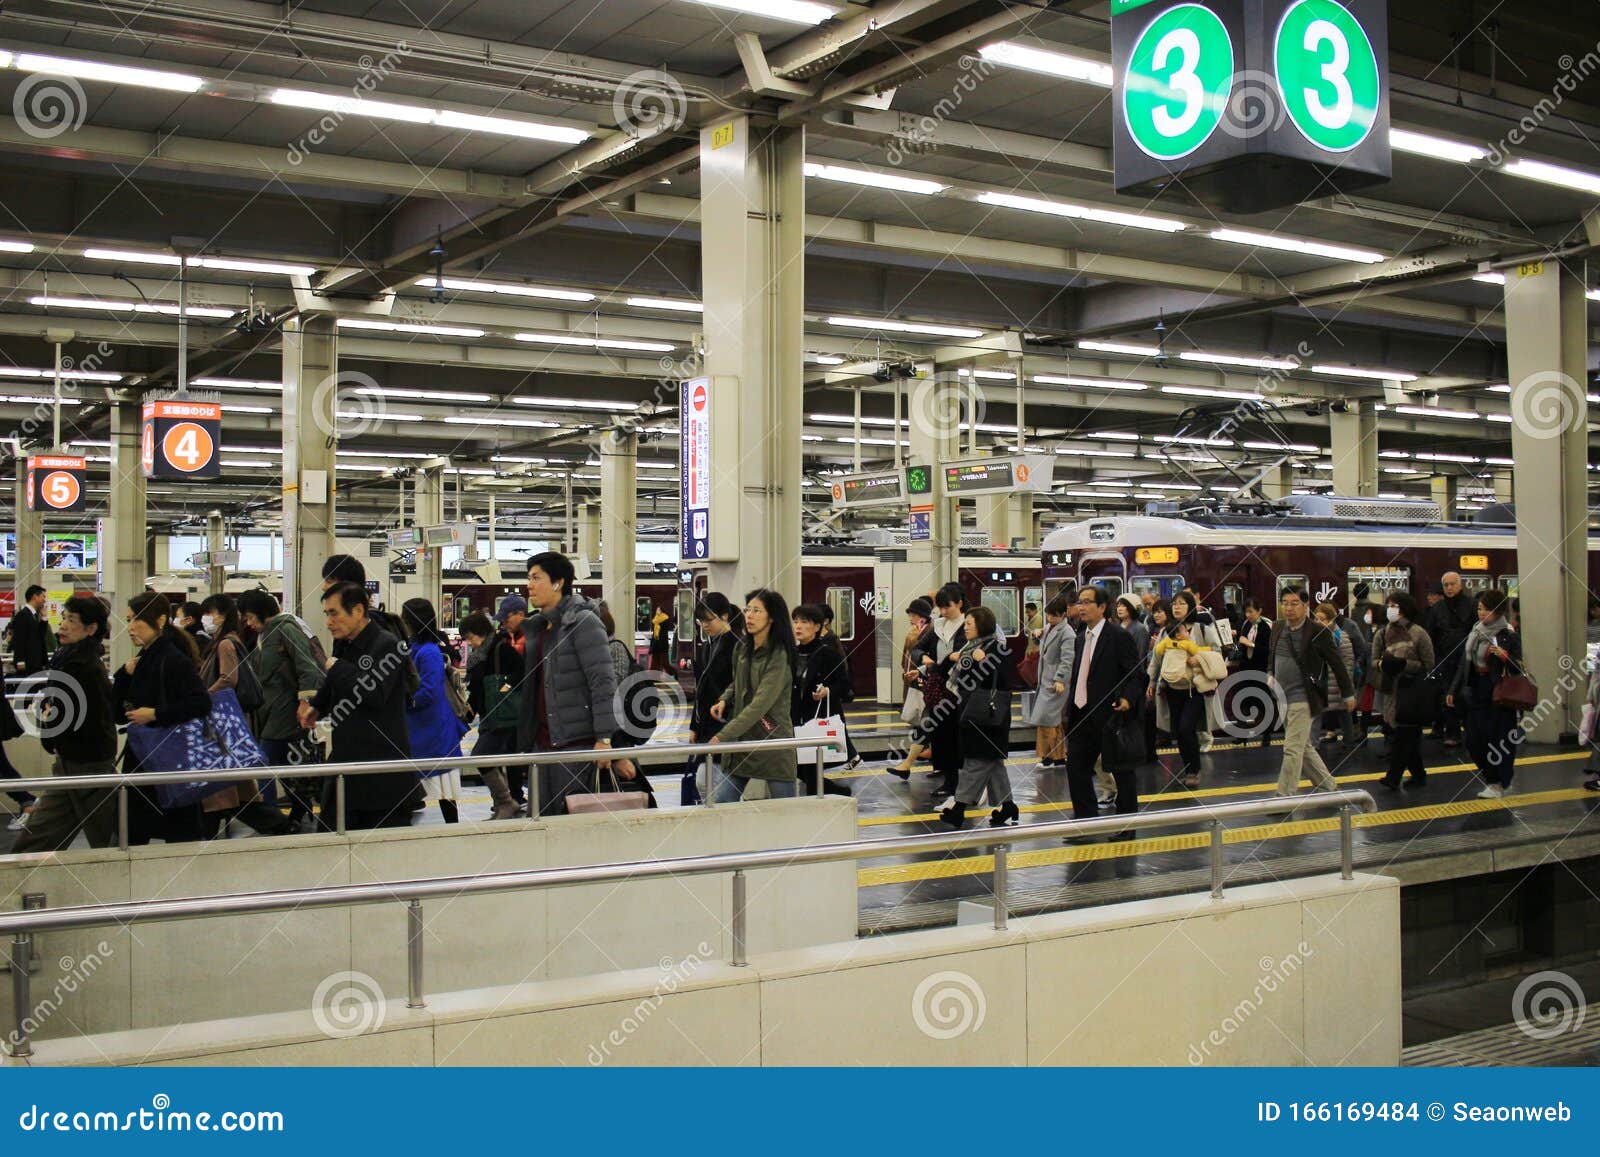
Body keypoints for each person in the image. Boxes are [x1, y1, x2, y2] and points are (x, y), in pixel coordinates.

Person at [298, 583, 423, 830]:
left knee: (380, 856)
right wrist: (317, 706)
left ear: (357, 610)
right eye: (327, 614)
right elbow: (338, 683)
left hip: (382, 777)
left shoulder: (387, 645)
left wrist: (337, 667)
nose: (329, 622)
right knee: (332, 844)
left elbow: (374, 694)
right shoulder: (345, 643)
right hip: (349, 766)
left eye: (334, 613)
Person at [516, 551, 632, 816]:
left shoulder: (583, 623)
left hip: (574, 745)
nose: (529, 585)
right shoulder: (540, 627)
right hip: (543, 745)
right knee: (542, 822)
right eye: (528, 578)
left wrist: (604, 739)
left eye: (536, 578)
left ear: (558, 583)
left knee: (569, 821)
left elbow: (603, 683)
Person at [11, 596, 119, 852]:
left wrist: (51, 722)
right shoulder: (69, 659)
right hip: (75, 761)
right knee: (107, 839)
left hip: (87, 765)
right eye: (65, 617)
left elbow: (85, 717)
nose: (64, 624)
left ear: (91, 629)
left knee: (112, 840)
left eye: (72, 620)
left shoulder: (84, 666)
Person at [114, 592, 212, 844]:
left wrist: (155, 714)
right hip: (148, 755)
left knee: (174, 831)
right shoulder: (144, 659)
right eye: (128, 619)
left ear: (159, 620)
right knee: (141, 829)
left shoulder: (172, 659)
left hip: (166, 755)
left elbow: (200, 702)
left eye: (136, 619)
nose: (130, 627)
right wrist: (124, 673)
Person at [197, 593, 291, 837]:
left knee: (225, 787)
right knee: (237, 788)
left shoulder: (226, 643)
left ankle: (206, 831)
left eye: (212, 613)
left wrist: (202, 696)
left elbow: (229, 678)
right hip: (227, 721)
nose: (207, 618)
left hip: (222, 724)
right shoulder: (231, 640)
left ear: (224, 615)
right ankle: (277, 823)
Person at [1063, 587, 1146, 839]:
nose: (1082, 607)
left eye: (1088, 602)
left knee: (1121, 771)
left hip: (1109, 716)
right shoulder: (1080, 637)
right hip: (1081, 714)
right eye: (1080, 602)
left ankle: (1126, 826)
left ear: (1102, 607)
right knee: (1076, 768)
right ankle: (1085, 825)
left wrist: (1127, 699)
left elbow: (1137, 674)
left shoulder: (1118, 636)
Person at [239, 589, 325, 831]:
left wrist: (305, 702)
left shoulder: (284, 629)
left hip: (286, 712)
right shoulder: (265, 635)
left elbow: (306, 666)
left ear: (260, 612)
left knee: (264, 762)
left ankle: (272, 820)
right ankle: (299, 807)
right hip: (272, 711)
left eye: (248, 616)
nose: (248, 622)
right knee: (287, 766)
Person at [708, 588, 798, 802]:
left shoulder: (779, 656)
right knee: (721, 803)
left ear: (772, 617)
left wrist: (723, 735)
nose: (749, 615)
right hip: (743, 742)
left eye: (757, 610)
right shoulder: (742, 649)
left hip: (772, 742)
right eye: (748, 609)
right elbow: (738, 682)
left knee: (785, 812)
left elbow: (760, 705)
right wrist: (725, 698)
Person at [1267, 587, 1354, 799]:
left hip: (1303, 696)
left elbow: (1337, 663)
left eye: (1294, 603)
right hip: (1281, 695)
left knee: (1292, 747)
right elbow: (1272, 654)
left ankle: (1284, 796)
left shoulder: (1317, 631)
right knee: (1303, 746)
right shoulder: (1277, 627)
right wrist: (1269, 672)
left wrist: (1348, 693)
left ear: (1306, 606)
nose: (1288, 608)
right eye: (1285, 603)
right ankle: (1329, 787)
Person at [939, 605, 1017, 829]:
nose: (965, 628)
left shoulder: (996, 648)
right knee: (992, 763)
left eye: (969, 624)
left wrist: (982, 660)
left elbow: (1003, 679)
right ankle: (1008, 806)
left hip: (988, 716)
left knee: (975, 762)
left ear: (981, 626)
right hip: (974, 711)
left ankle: (959, 808)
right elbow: (953, 673)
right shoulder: (969, 647)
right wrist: (956, 659)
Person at [1447, 589, 1524, 799]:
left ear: (1498, 611)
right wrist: (1453, 689)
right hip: (1476, 690)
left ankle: (1498, 781)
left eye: (1487, 609)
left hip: (1499, 693)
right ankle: (1491, 778)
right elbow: (1465, 663)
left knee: (1498, 739)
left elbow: (1519, 668)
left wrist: (1505, 657)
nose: (1482, 613)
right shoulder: (1475, 631)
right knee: (1473, 740)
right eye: (1480, 609)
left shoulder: (1507, 635)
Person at [1147, 590, 1224, 790]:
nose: (1176, 607)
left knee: (1186, 728)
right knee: (1178, 733)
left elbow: (1217, 652)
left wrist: (1198, 659)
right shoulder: (1166, 630)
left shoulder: (1202, 629)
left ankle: (1193, 770)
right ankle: (1189, 767)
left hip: (1195, 689)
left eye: (1181, 603)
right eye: (1174, 603)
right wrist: (1151, 681)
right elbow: (1156, 658)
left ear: (1190, 606)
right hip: (1172, 688)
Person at [400, 599, 468, 823]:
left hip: (432, 731)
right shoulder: (417, 648)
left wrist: (405, 702)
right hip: (425, 728)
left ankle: (452, 831)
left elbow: (428, 691)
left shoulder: (427, 652)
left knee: (443, 789)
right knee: (437, 787)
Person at [459, 611, 523, 820]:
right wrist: (467, 715)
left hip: (503, 717)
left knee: (481, 756)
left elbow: (522, 673)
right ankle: (502, 804)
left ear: (480, 632)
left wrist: (504, 688)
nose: (470, 643)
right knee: (491, 758)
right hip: (490, 716)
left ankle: (506, 802)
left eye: (470, 637)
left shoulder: (500, 649)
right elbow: (478, 691)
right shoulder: (481, 656)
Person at [912, 582, 969, 802]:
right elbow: (917, 648)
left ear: (960, 604)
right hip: (939, 689)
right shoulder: (938, 626)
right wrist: (923, 659)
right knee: (942, 735)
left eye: (949, 607)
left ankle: (964, 782)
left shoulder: (968, 625)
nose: (944, 612)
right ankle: (950, 780)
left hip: (961, 689)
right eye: (941, 607)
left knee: (958, 736)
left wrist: (938, 664)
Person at [1374, 592, 1436, 792]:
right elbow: (1373, 660)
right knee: (1407, 736)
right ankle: (1418, 775)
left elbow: (1429, 665)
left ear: (1405, 608)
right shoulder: (1382, 634)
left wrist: (1404, 665)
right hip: (1391, 690)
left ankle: (1394, 777)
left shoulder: (1419, 633)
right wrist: (1384, 664)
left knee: (1404, 734)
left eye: (1395, 605)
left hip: (1412, 692)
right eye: (1389, 605)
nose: (1390, 609)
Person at [790, 604, 854, 797]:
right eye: (795, 621)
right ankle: (836, 791)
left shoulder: (827, 653)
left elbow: (845, 685)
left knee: (809, 768)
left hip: (817, 720)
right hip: (796, 720)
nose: (798, 626)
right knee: (799, 767)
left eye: (804, 622)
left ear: (817, 627)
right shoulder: (792, 653)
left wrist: (827, 690)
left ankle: (816, 810)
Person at [686, 593, 740, 801]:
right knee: (706, 781)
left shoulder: (737, 645)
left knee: (712, 782)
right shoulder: (708, 646)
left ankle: (724, 821)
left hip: (725, 723)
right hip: (706, 725)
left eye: (709, 620)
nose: (704, 625)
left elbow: (739, 684)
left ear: (725, 616)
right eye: (701, 621)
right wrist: (694, 726)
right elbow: (701, 689)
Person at [1025, 594, 1075, 769]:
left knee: (1046, 720)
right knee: (1053, 721)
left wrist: (1060, 679)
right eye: (1048, 614)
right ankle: (1057, 758)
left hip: (1055, 683)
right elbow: (1040, 641)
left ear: (1063, 615)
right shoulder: (1049, 627)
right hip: (1045, 680)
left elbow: (1067, 659)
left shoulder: (1067, 633)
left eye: (1054, 615)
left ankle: (1048, 757)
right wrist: (1035, 634)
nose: (1050, 618)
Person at [888, 597, 935, 778]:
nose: (910, 618)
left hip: (926, 684)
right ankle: (917, 763)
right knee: (923, 723)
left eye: (913, 615)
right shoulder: (915, 632)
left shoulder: (926, 632)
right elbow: (906, 658)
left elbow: (922, 656)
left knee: (925, 723)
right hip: (914, 682)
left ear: (922, 616)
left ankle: (908, 764)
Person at [1426, 572, 1474, 748]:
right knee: (1448, 696)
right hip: (1444, 660)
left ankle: (1470, 730)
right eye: (1446, 585)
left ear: (1460, 585)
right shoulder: (1437, 609)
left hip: (1468, 659)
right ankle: (1452, 732)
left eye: (1452, 584)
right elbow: (1431, 633)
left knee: (1466, 695)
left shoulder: (1471, 605)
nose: (1449, 588)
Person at [1313, 603, 1359, 746]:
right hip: (1324, 681)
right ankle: (1317, 741)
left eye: (1322, 619)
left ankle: (1348, 740)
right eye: (1316, 619)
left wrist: (1345, 686)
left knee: (1343, 712)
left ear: (1331, 620)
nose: (1318, 622)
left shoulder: (1340, 636)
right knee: (1327, 711)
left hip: (1335, 681)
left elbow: (1348, 663)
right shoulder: (1318, 636)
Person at [8, 584, 50, 676]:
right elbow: (19, 639)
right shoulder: (23, 615)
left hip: (35, 662)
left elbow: (39, 636)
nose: (44, 600)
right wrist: (20, 660)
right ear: (35, 597)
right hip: (27, 663)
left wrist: (44, 618)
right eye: (43, 596)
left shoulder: (34, 615)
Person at [1115, 594, 1149, 658]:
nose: (1119, 609)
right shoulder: (1115, 627)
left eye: (1123, 606)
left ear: (1132, 607)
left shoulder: (1140, 629)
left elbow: (1140, 654)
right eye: (1118, 606)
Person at [649, 606, 671, 672]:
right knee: (655, 664)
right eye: (657, 609)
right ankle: (652, 677)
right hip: (656, 645)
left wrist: (659, 644)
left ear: (661, 611)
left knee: (665, 664)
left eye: (658, 610)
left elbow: (663, 634)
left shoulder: (665, 619)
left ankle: (675, 673)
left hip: (662, 646)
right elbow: (654, 634)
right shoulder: (656, 620)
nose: (657, 611)